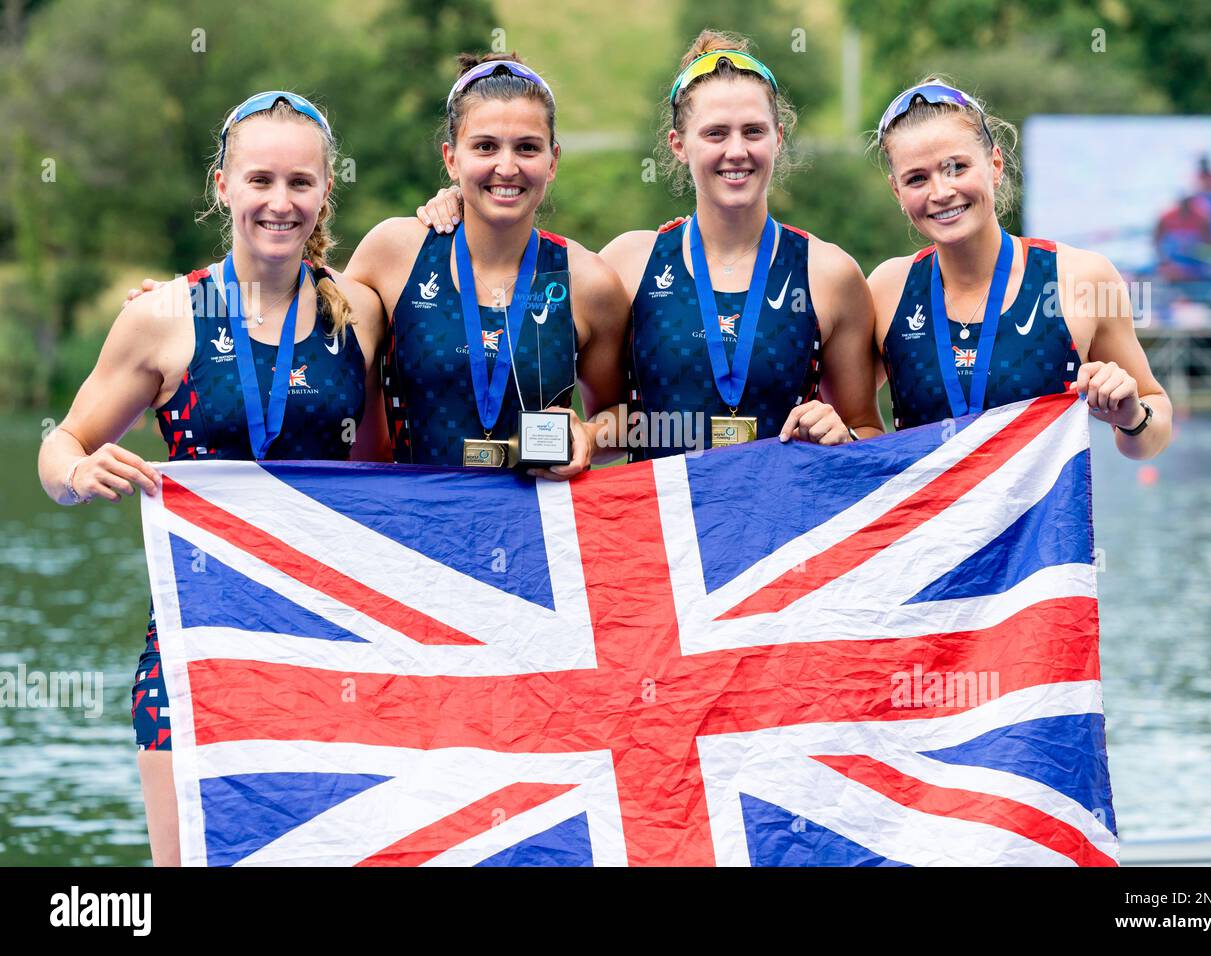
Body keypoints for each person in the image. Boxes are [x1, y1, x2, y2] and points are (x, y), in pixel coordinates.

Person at [37, 91, 388, 865]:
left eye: (301, 183)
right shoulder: (164, 316)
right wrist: (78, 471)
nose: (280, 202)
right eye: (260, 180)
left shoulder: (357, 314)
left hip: (333, 656)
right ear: (222, 185)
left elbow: (389, 474)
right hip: (194, 651)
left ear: (327, 191)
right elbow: (58, 446)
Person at [419, 32, 884, 458]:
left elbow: (869, 431)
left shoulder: (828, 274)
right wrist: (462, 198)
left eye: (754, 132)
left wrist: (843, 438)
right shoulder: (627, 263)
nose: (736, 151)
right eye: (716, 133)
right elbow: (614, 421)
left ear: (778, 139)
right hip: (657, 539)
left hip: (781, 539)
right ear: (679, 144)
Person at [345, 53, 629, 476]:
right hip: (411, 530)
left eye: (527, 148)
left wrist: (588, 435)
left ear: (552, 162)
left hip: (538, 533)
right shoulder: (392, 253)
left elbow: (625, 416)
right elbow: (332, 371)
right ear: (451, 158)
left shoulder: (587, 280)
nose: (507, 167)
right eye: (485, 146)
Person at [866, 79, 1171, 457]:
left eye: (957, 168)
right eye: (917, 178)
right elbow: (857, 430)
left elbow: (1152, 428)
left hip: (1043, 519)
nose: (941, 192)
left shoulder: (1082, 278)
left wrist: (1131, 415)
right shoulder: (886, 288)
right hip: (924, 517)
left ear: (995, 165)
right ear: (897, 191)